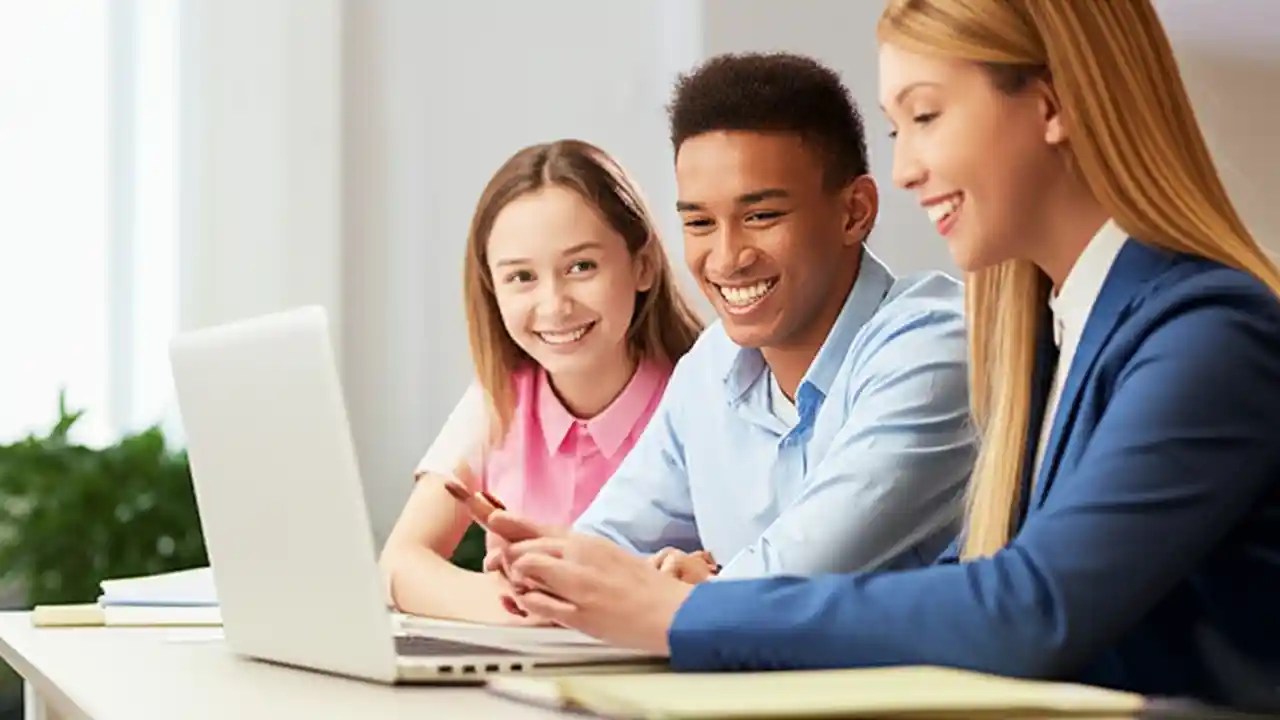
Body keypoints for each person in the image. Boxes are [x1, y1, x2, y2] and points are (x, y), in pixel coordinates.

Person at [492, 1, 1280, 710]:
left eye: (927, 116)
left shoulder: (1208, 332)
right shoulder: (1050, 332)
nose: (905, 170)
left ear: (1051, 103)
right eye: (898, 130)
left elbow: (1032, 608)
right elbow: (976, 589)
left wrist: (691, 610)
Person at [486, 52, 975, 588]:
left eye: (761, 216)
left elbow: (785, 583)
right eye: (698, 222)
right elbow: (598, 551)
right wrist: (546, 573)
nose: (725, 258)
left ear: (855, 211)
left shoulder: (930, 347)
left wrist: (677, 586)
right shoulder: (713, 365)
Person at [377, 139, 703, 623]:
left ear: (643, 266)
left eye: (581, 267)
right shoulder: (496, 398)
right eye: (521, 277)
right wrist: (525, 604)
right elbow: (399, 565)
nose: (554, 304)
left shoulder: (704, 396)